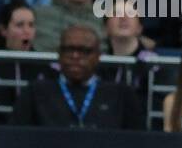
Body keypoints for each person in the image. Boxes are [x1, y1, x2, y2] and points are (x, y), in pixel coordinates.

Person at [9, 24, 146, 129]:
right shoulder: (35, 92)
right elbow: (16, 138)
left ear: (98, 56)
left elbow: (138, 143)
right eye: (69, 50)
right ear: (59, 54)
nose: (75, 56)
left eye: (84, 51)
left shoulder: (121, 95)